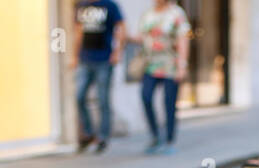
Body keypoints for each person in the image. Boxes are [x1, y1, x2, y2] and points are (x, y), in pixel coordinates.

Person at [137, 0, 191, 154]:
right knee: (146, 97)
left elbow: (183, 39)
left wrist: (182, 65)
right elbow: (142, 37)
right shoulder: (148, 13)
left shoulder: (176, 13)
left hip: (170, 65)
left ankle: (169, 140)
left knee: (169, 103)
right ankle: (155, 136)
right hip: (150, 64)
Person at [72, 0, 125, 153]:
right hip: (85, 60)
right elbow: (79, 32)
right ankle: (88, 133)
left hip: (104, 59)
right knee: (79, 97)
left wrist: (117, 52)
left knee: (103, 99)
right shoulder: (82, 6)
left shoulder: (109, 5)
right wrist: (75, 56)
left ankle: (103, 137)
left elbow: (121, 27)